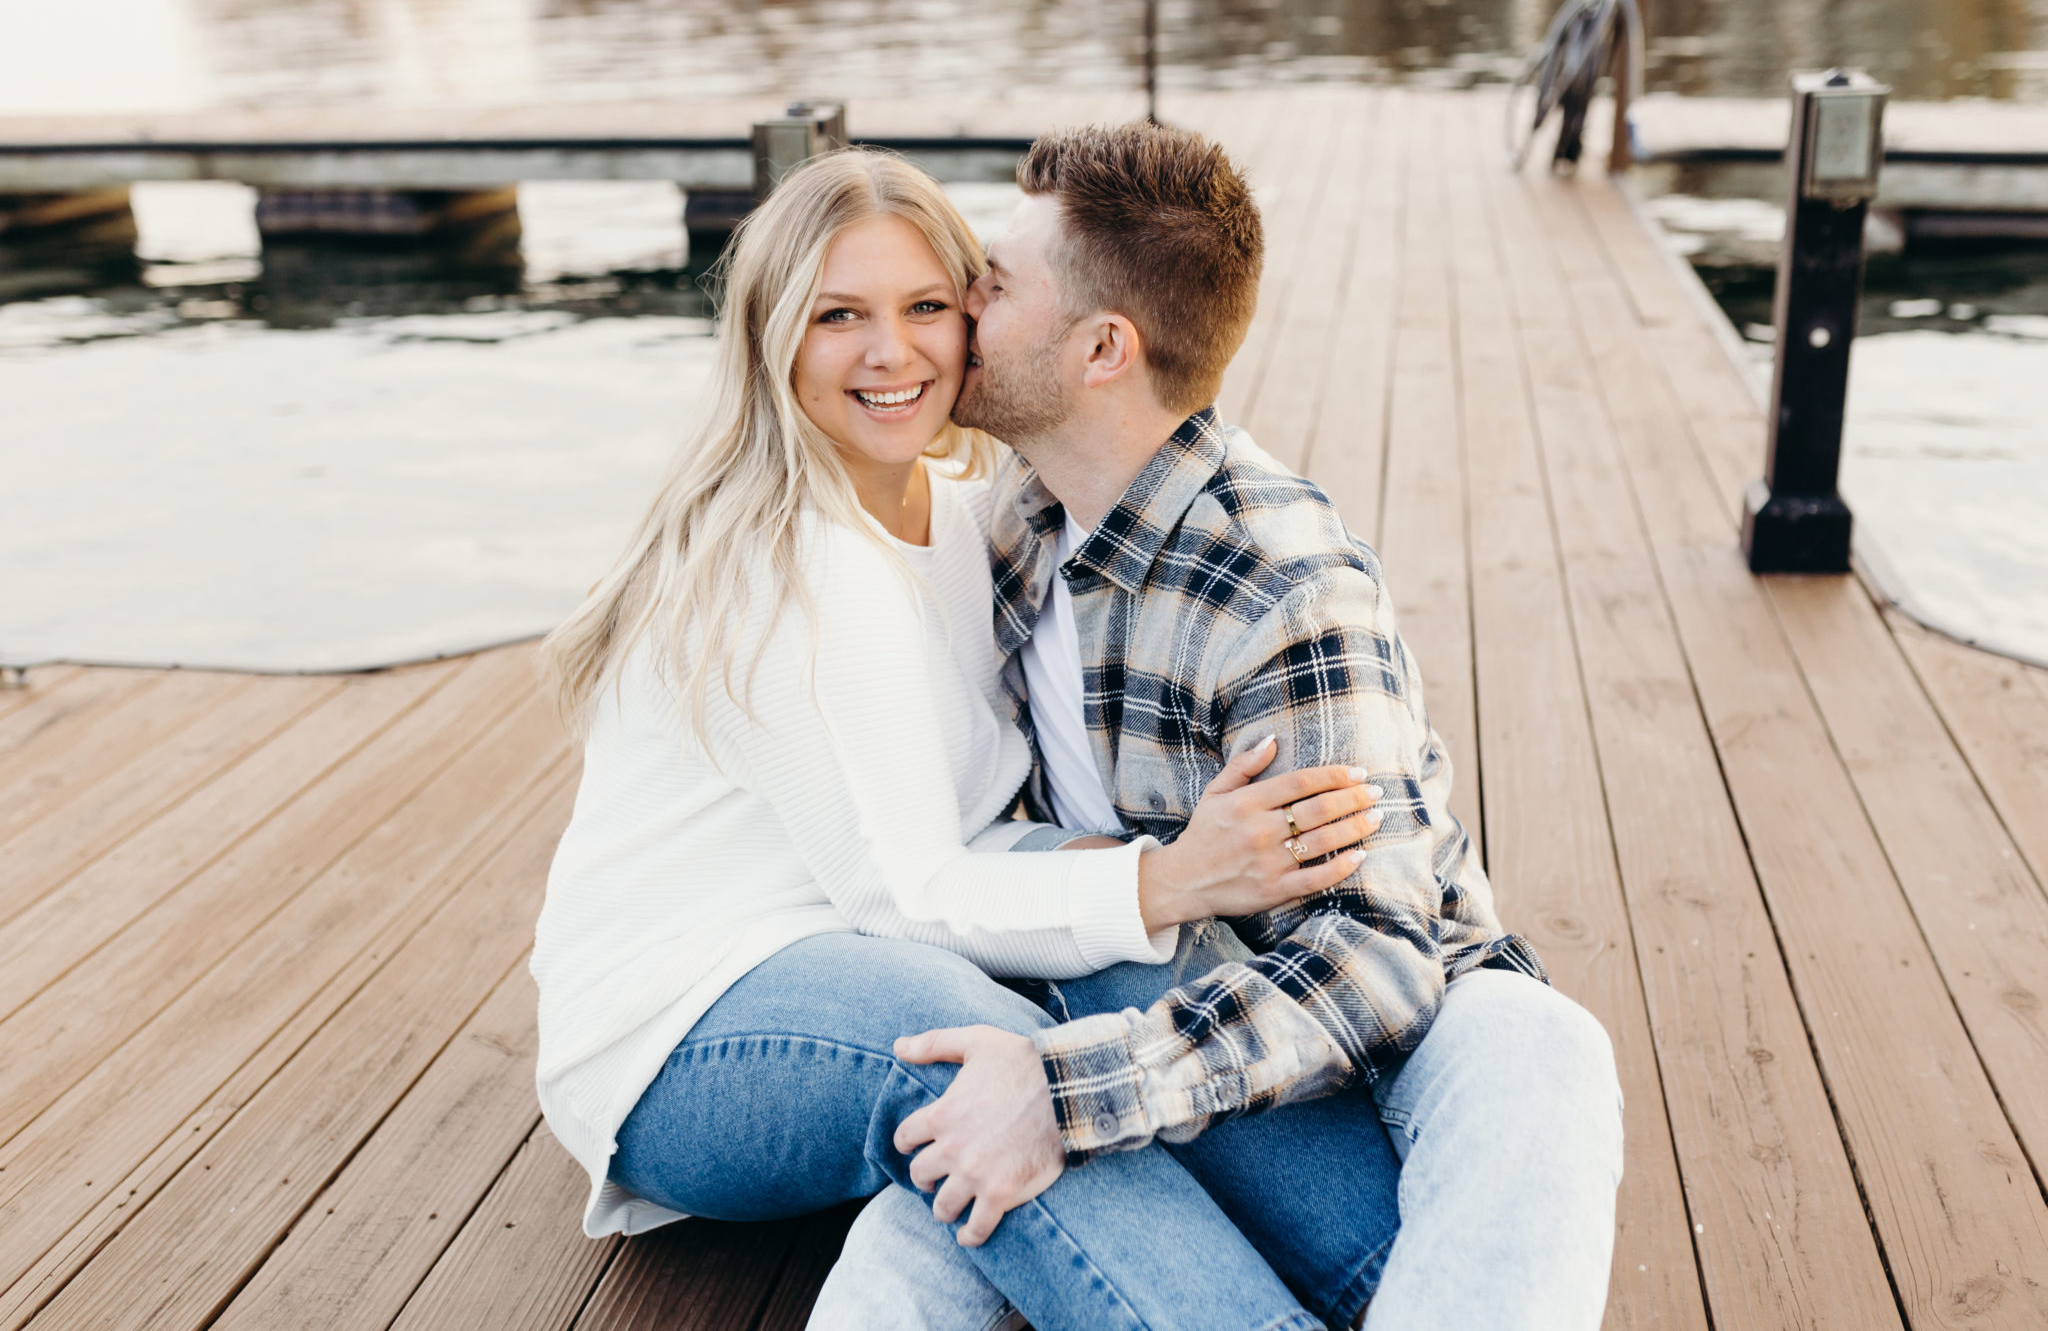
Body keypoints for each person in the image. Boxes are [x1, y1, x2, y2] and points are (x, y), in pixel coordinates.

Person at [528, 146, 1403, 1331]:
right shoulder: (789, 563)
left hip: (882, 926)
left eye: (927, 307)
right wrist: (1164, 877)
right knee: (986, 1063)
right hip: (683, 1026)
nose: (891, 352)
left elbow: (967, 836)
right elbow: (901, 898)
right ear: (773, 337)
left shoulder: (970, 519)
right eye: (838, 316)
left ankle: (1407, 1281)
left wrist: (1140, 890)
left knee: (1134, 966)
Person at [838, 122, 1626, 1331]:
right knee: (947, 1163)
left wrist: (1071, 1092)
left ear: (1102, 348)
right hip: (1159, 1031)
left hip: (1364, 1076)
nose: (960, 306)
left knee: (1538, 1041)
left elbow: (1374, 964)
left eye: (990, 285)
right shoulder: (1006, 529)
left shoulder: (1281, 589)